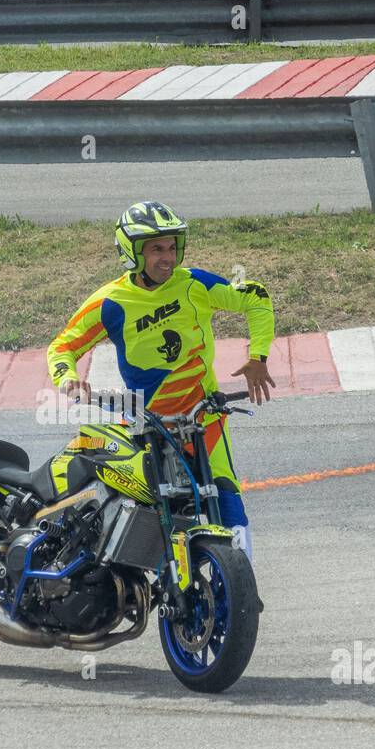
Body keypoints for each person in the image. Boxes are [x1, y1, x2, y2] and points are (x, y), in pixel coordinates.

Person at [46, 201, 275, 561]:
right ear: (132, 252)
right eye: (156, 249)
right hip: (146, 423)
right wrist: (69, 380)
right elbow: (63, 346)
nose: (167, 258)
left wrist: (258, 356)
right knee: (139, 503)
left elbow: (256, 298)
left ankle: (240, 577)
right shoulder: (110, 302)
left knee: (226, 495)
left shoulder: (194, 283)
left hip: (204, 418)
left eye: (171, 247)